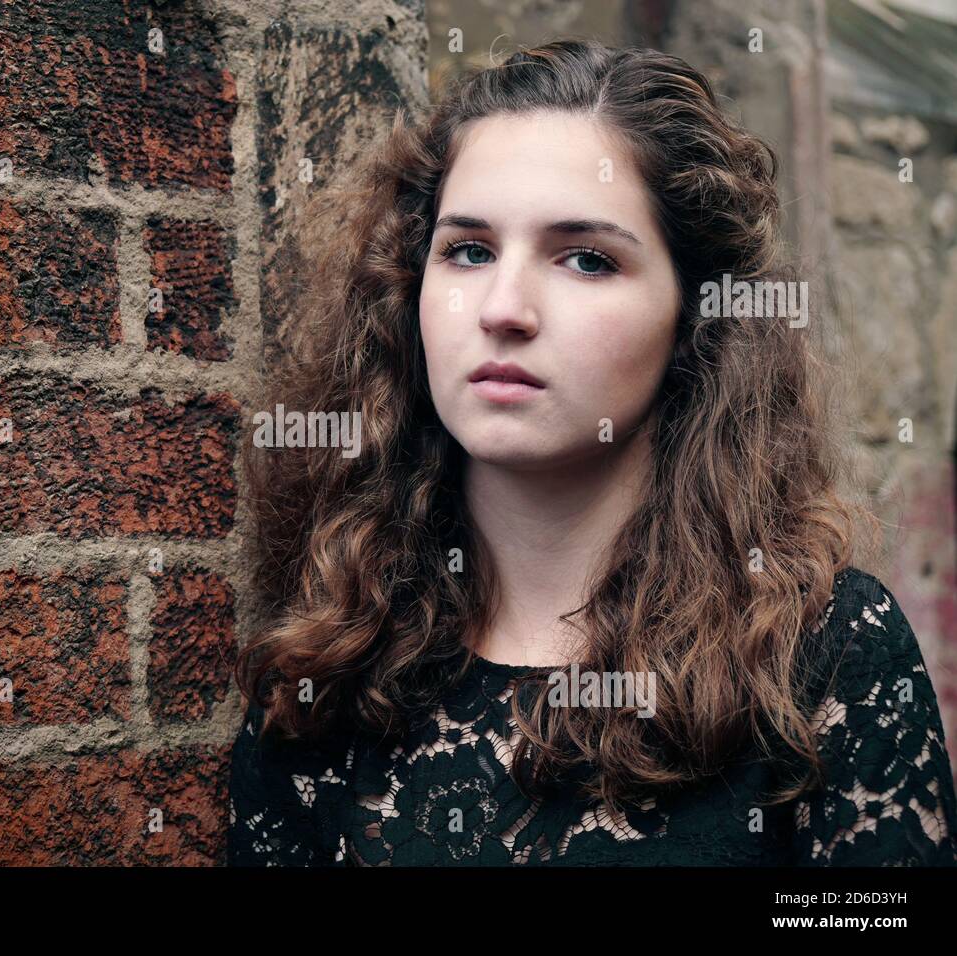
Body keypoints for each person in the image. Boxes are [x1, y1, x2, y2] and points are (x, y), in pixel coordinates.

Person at [227, 38, 957, 866]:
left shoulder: (827, 653)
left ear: (696, 317)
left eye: (585, 259)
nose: (504, 308)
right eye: (468, 250)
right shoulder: (332, 660)